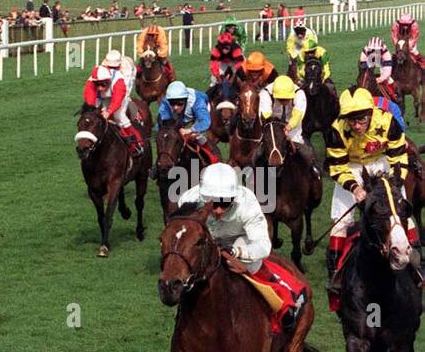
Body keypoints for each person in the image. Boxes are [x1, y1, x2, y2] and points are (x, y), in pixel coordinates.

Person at [177, 163, 306, 332]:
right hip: (205, 242)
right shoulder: (188, 200)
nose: (218, 210)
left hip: (238, 241)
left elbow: (263, 246)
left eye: (225, 203)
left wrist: (236, 251)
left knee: (247, 264)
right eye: (213, 203)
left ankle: (280, 304)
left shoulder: (247, 204)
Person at [324, 87, 414, 301]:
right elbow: (337, 167)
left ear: (371, 113)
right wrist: (355, 188)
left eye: (361, 119)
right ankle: (336, 274)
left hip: (380, 163)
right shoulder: (336, 130)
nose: (356, 125)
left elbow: (399, 157)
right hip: (351, 166)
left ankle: (417, 267)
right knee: (340, 221)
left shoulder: (388, 122)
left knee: (401, 212)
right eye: (351, 121)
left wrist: (395, 185)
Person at [258, 74, 320, 176]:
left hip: (293, 132)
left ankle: (314, 175)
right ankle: (261, 186)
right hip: (272, 133)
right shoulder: (265, 94)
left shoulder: (299, 94)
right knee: (258, 156)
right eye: (281, 99)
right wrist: (277, 131)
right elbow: (265, 115)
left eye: (286, 99)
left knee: (308, 154)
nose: (284, 102)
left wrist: (288, 127)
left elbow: (298, 114)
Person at [83, 65, 143, 156]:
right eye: (97, 84)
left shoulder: (118, 81)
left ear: (109, 81)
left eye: (103, 84)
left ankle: (137, 143)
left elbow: (117, 101)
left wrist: (108, 112)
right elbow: (90, 101)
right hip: (101, 99)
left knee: (119, 117)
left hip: (119, 98)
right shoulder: (90, 82)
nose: (99, 88)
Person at [159, 80, 219, 164]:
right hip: (181, 117)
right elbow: (165, 122)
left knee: (198, 137)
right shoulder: (165, 102)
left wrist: (190, 130)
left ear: (186, 100)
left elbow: (205, 122)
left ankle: (213, 160)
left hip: (199, 116)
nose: (175, 107)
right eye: (172, 103)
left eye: (179, 104)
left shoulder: (197, 101)